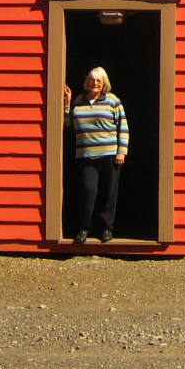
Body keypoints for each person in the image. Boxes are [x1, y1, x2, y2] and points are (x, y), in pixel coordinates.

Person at [62, 67, 128, 244]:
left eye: (99, 80)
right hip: (86, 156)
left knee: (108, 192)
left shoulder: (113, 101)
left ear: (104, 83)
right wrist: (67, 104)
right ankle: (84, 228)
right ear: (87, 82)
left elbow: (123, 126)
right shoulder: (79, 101)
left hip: (110, 155)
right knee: (88, 190)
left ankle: (106, 228)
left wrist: (121, 151)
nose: (95, 83)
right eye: (92, 80)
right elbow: (68, 124)